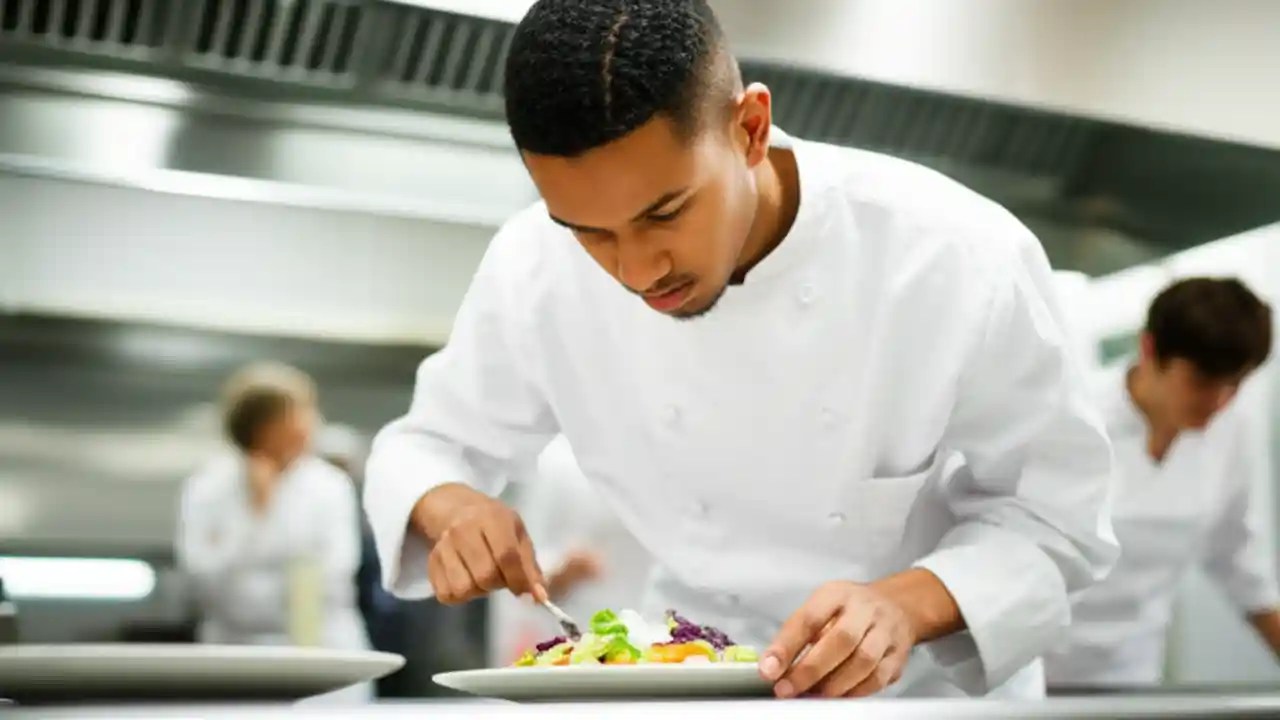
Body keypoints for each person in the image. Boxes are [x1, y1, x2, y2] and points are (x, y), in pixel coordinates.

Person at [364, 0, 1117, 699]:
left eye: (665, 213)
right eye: (588, 232)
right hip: (687, 681)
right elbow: (426, 445)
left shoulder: (957, 255)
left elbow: (1056, 520)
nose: (636, 271)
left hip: (914, 696)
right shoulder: (531, 265)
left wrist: (903, 606)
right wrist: (450, 504)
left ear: (750, 127)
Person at [1045, 277, 1278, 689]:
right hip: (1032, 671)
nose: (1219, 402)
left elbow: (1239, 561)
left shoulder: (1233, 428)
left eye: (1235, 384)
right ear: (1150, 349)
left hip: (1131, 675)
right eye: (1202, 382)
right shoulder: (1071, 416)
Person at [176, 363, 371, 700]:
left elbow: (334, 571)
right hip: (234, 652)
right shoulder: (208, 487)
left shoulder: (329, 486)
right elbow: (201, 575)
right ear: (261, 425)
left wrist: (256, 579)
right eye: (297, 413)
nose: (310, 423)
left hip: (322, 651)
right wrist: (258, 510)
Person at [488, 436, 654, 666]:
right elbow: (519, 562)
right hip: (574, 640)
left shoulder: (657, 463)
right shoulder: (555, 463)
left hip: (651, 638)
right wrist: (566, 568)